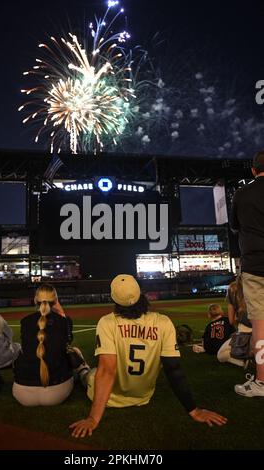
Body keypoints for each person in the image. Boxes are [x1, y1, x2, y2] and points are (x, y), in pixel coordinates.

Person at [69, 275, 227, 438]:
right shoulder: (163, 322)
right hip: (143, 397)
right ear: (140, 293)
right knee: (98, 371)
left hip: (109, 399)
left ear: (114, 298)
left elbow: (107, 372)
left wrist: (93, 419)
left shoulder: (107, 322)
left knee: (92, 375)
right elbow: (174, 370)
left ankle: (81, 369)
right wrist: (194, 410)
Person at [13, 284, 89, 406]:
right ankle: (83, 372)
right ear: (56, 301)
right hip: (56, 392)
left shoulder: (25, 321)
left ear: (35, 300)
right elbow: (67, 343)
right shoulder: (63, 321)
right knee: (74, 351)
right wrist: (61, 313)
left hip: (22, 393)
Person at [231, 150, 264, 396]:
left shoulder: (242, 194)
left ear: (254, 170)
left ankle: (261, 382)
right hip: (254, 265)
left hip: (255, 266)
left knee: (260, 326)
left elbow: (234, 226)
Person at [217, 276, 252, 367]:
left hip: (244, 333)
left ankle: (243, 362)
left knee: (221, 355)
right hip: (260, 331)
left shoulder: (233, 288)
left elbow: (231, 321)